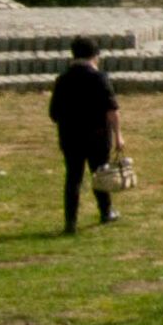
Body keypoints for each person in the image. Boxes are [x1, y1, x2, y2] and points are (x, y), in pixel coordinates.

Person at [48, 39, 120, 232]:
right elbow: (112, 110)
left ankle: (70, 220)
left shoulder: (62, 80)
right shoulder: (99, 78)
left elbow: (53, 114)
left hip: (70, 137)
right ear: (94, 55)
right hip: (97, 136)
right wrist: (119, 136)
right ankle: (106, 211)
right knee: (100, 174)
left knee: (73, 178)